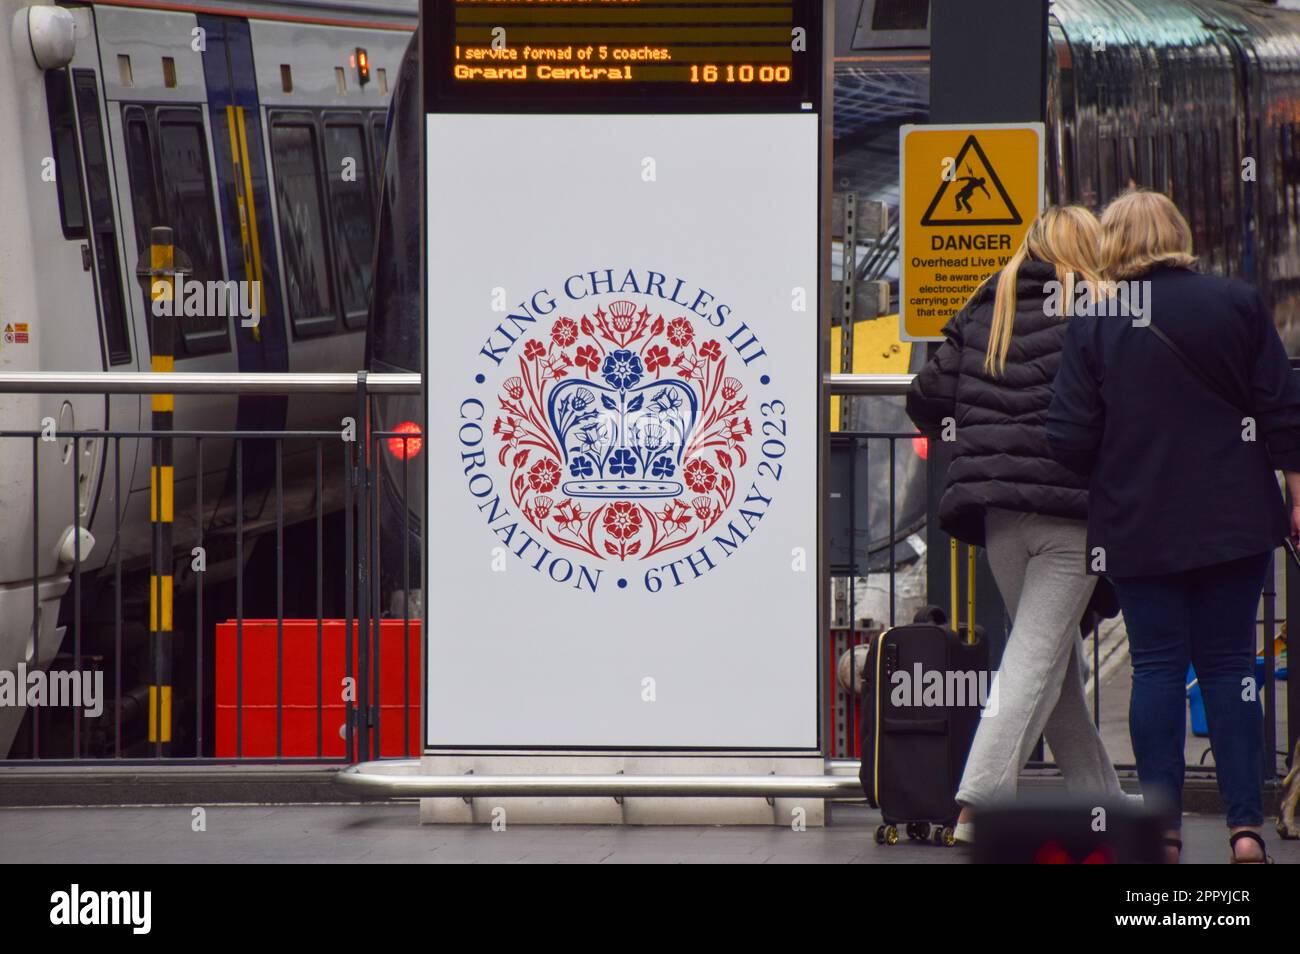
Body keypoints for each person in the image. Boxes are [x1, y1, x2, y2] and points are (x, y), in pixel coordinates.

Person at [1047, 189, 1300, 863]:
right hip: (1235, 519)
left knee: (1157, 666)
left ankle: (1161, 831)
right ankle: (1246, 828)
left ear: (1115, 244)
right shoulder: (1240, 303)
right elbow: (1281, 409)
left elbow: (1067, 436)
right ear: (1178, 234)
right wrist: (1297, 492)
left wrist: (1117, 460)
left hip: (1139, 521)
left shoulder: (1094, 323)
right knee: (1227, 668)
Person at [907, 206, 1124, 845]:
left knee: (1049, 664)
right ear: (1088, 247)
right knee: (1034, 659)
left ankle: (1100, 800)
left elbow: (926, 392)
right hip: (1075, 515)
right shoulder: (1101, 305)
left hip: (1001, 514)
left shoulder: (988, 300)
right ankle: (978, 803)